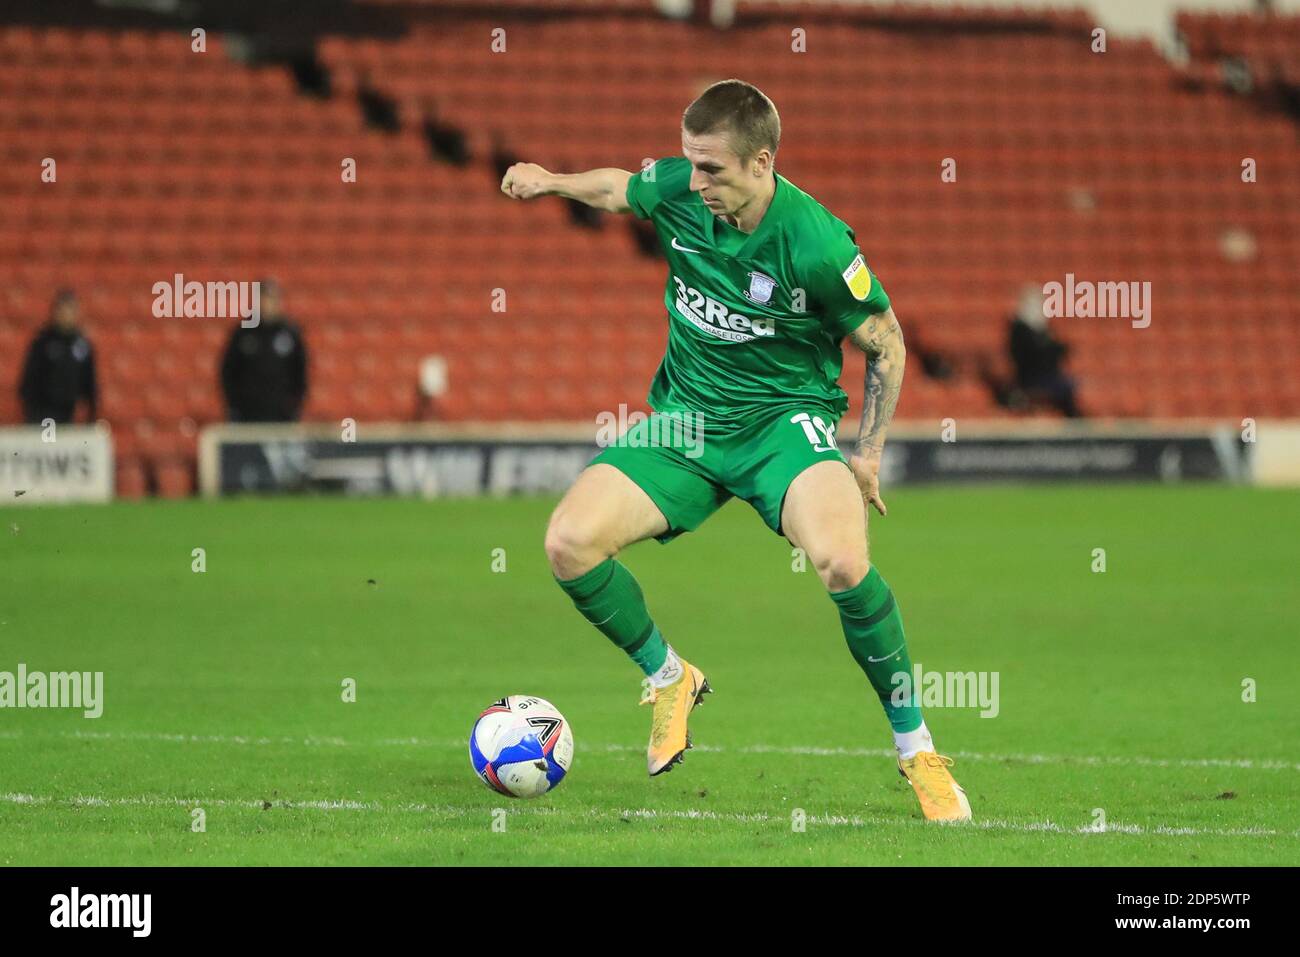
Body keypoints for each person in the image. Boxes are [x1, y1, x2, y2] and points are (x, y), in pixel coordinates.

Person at [501, 79, 970, 821]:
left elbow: (886, 340)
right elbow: (623, 187)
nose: (695, 181)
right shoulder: (681, 193)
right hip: (686, 420)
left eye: (711, 168)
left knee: (846, 563)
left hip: (783, 424)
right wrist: (551, 181)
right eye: (690, 163)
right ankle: (670, 676)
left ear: (762, 162)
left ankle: (918, 750)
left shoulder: (814, 240)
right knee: (568, 543)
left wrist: (868, 452)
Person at [220, 279, 308, 422]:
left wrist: (293, 405)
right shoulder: (243, 332)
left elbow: (300, 372)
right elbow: (229, 371)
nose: (267, 304)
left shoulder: (290, 333)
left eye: (272, 299)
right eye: (264, 299)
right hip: (247, 415)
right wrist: (235, 405)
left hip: (281, 415)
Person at [19, 289, 98, 424]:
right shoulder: (42, 342)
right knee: (48, 442)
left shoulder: (82, 345)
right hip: (42, 413)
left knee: (66, 443)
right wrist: (31, 410)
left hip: (69, 413)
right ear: (55, 312)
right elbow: (29, 379)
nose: (66, 315)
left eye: (70, 311)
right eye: (63, 311)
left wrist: (91, 414)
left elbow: (90, 382)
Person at [1008, 285, 1081, 417]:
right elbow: (1029, 354)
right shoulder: (1019, 329)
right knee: (1065, 387)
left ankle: (1075, 421)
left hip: (1047, 376)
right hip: (1030, 378)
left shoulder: (1043, 329)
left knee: (1071, 385)